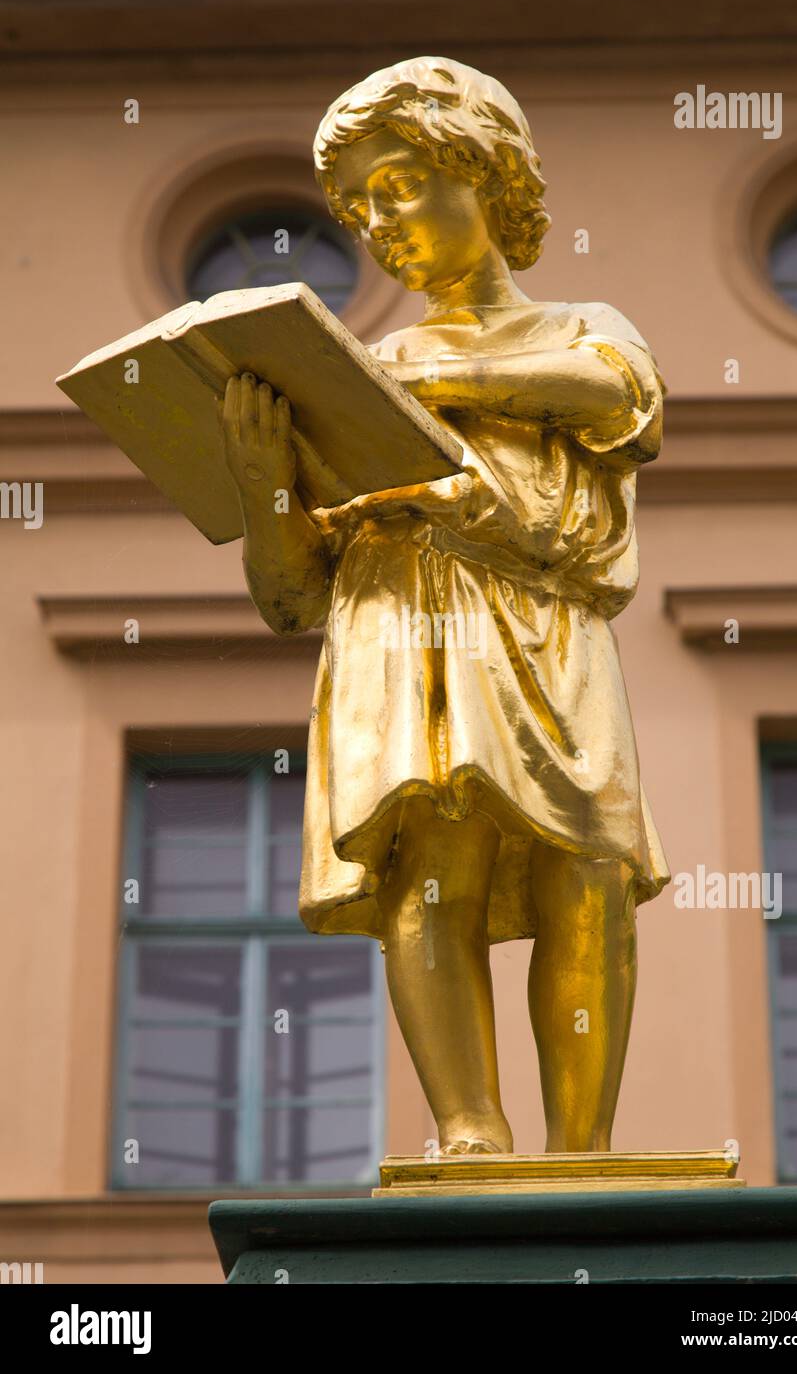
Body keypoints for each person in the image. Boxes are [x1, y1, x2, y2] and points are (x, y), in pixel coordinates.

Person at [221, 56, 669, 1156]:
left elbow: (621, 404)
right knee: (431, 861)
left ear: (488, 176)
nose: (383, 222)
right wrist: (262, 476)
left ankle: (581, 1152)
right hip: (400, 624)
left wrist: (417, 383)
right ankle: (469, 1131)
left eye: (405, 183)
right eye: (361, 206)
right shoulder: (353, 375)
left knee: (590, 868)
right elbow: (291, 594)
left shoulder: (580, 327)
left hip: (546, 619)